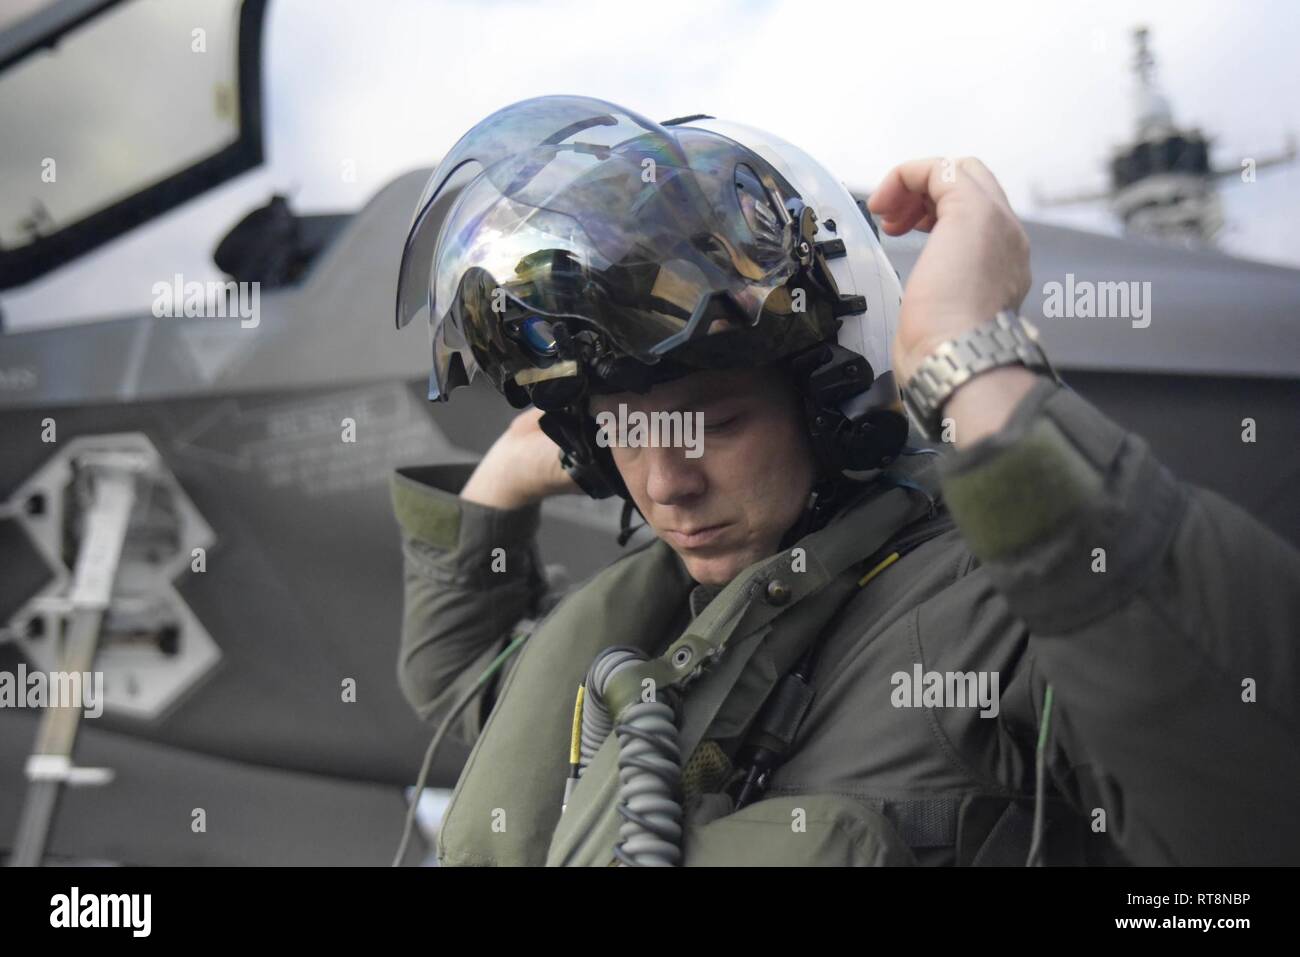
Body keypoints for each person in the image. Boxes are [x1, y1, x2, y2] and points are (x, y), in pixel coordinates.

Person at [389, 96, 1300, 866]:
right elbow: (467, 688)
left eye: (715, 422)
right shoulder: (663, 617)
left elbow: (1246, 768)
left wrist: (968, 362)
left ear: (831, 400)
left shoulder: (992, 624)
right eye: (623, 433)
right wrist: (499, 483)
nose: (665, 484)